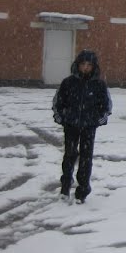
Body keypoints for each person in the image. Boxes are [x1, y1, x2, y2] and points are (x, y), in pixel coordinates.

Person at [52, 49, 112, 204]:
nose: (85, 68)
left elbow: (106, 106)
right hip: (70, 125)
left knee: (86, 158)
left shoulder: (99, 85)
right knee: (69, 155)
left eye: (89, 65)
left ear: (94, 67)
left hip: (89, 126)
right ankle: (65, 185)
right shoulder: (68, 83)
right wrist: (62, 117)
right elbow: (58, 102)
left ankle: (82, 190)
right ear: (77, 65)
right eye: (83, 64)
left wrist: (98, 119)